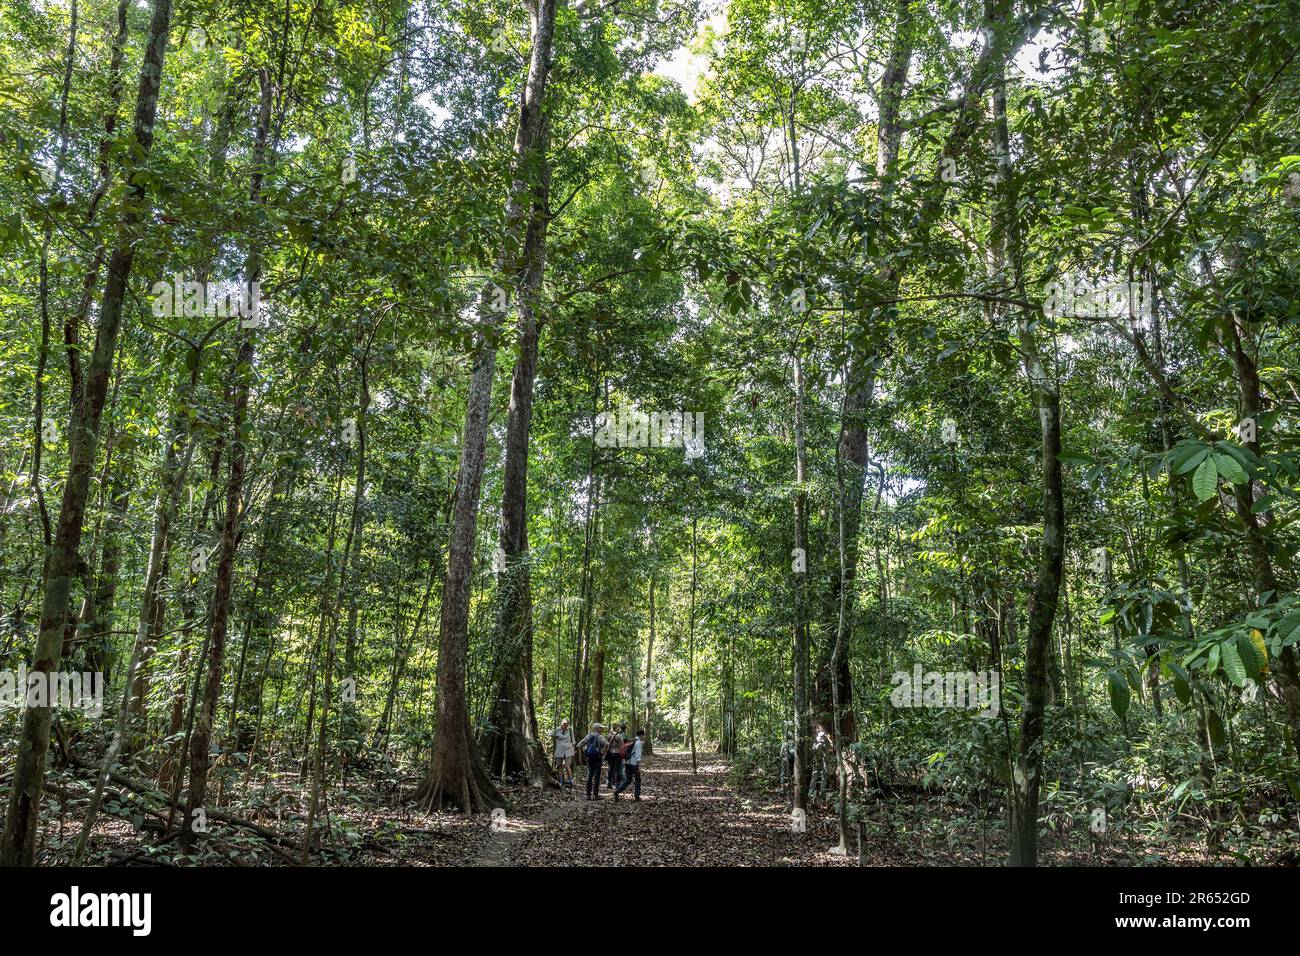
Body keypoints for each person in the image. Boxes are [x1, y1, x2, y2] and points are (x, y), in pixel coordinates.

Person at [577, 724, 607, 799]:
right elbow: (607, 744)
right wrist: (603, 753)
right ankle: (595, 795)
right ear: (597, 729)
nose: (602, 730)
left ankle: (588, 795)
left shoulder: (588, 736)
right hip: (598, 758)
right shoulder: (600, 737)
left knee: (589, 776)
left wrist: (585, 751)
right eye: (601, 728)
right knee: (596, 777)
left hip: (590, 758)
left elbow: (578, 745)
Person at [614, 729, 645, 801]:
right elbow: (638, 755)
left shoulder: (631, 740)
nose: (643, 737)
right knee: (637, 780)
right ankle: (637, 796)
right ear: (641, 735)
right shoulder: (639, 742)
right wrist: (639, 766)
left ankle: (617, 791)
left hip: (627, 762)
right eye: (643, 735)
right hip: (634, 764)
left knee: (628, 779)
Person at [552, 718, 575, 786]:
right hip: (559, 750)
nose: (565, 726)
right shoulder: (557, 730)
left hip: (568, 750)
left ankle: (571, 781)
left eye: (567, 725)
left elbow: (573, 739)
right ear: (561, 723)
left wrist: (573, 743)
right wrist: (556, 738)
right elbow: (552, 736)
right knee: (559, 766)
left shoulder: (570, 729)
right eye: (564, 724)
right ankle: (561, 781)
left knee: (567, 765)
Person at [605, 724, 625, 788]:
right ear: (617, 728)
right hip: (617, 753)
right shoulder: (619, 736)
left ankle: (609, 783)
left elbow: (606, 743)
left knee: (610, 768)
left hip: (610, 753)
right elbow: (622, 745)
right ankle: (617, 784)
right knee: (617, 769)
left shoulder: (609, 735)